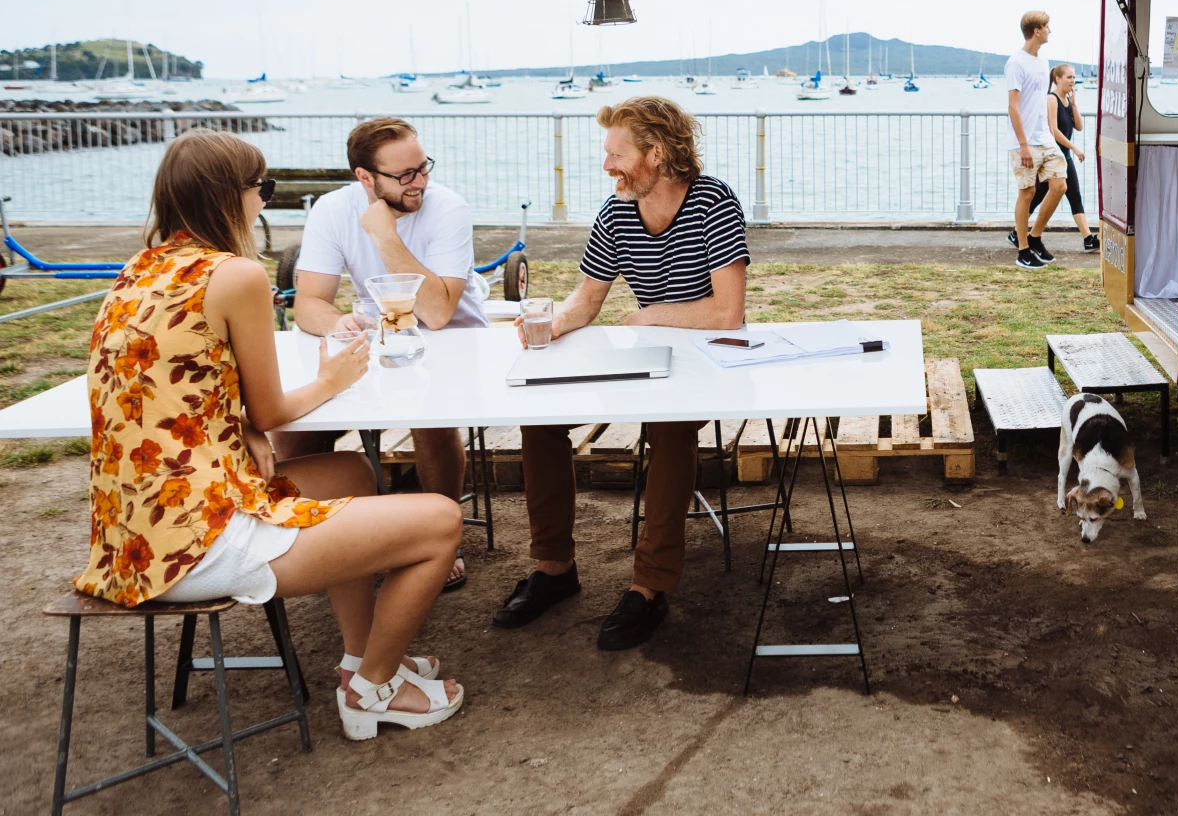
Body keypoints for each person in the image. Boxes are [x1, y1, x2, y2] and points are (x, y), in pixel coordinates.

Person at [79, 129, 466, 740]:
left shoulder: (139, 269)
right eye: (262, 186)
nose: (265, 198)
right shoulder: (234, 275)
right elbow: (274, 412)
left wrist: (240, 427)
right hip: (196, 540)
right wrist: (333, 378)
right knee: (442, 520)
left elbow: (178, 385)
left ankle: (357, 658)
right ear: (231, 196)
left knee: (351, 474)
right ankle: (374, 691)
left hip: (131, 534)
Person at [493, 96, 749, 650]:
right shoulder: (616, 212)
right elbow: (586, 302)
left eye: (616, 154)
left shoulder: (713, 203)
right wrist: (551, 323)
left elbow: (727, 314)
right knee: (540, 415)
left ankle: (650, 587)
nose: (606, 165)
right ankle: (554, 568)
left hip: (708, 357)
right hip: (645, 358)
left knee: (670, 429)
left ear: (658, 153)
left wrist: (648, 315)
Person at [285, 116, 485, 591]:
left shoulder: (447, 208)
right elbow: (308, 304)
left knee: (429, 415)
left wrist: (384, 235)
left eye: (423, 167)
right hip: (379, 338)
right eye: (404, 175)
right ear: (365, 178)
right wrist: (338, 323)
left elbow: (437, 313)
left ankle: (442, 538)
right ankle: (306, 537)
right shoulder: (333, 210)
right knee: (295, 422)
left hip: (453, 339)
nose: (420, 182)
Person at [1005, 10, 1066, 269]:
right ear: (1037, 31)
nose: (1050, 30)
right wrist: (1023, 145)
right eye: (1047, 27)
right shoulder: (1015, 63)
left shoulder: (1043, 60)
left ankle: (1035, 236)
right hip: (1025, 142)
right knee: (1027, 192)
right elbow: (1013, 107)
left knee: (1059, 185)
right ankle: (1023, 250)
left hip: (1045, 138)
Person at [1046, 64, 1099, 253]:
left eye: (1074, 78)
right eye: (1069, 77)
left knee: (1074, 195)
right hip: (1052, 157)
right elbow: (1054, 131)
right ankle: (1017, 233)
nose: (1072, 81)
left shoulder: (1067, 101)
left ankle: (1087, 239)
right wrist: (1075, 148)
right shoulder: (1051, 99)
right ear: (1057, 79)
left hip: (1064, 156)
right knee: (1036, 196)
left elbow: (1079, 126)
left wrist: (1074, 104)